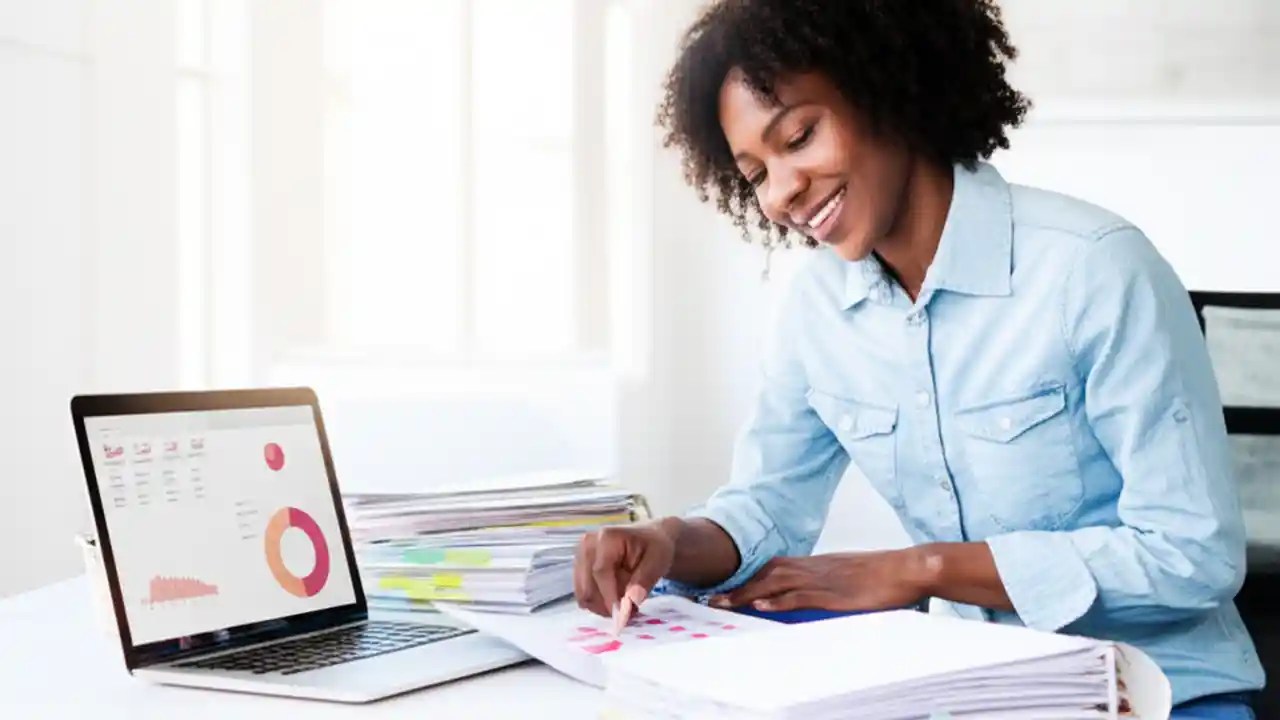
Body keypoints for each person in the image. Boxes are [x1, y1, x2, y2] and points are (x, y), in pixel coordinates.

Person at [572, 1, 1265, 717]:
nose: (781, 193)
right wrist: (667, 541)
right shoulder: (820, 309)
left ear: (886, 90)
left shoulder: (1092, 270)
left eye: (800, 136)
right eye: (754, 174)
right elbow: (767, 508)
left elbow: (1193, 555)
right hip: (971, 689)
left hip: (1160, 689)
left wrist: (921, 570)